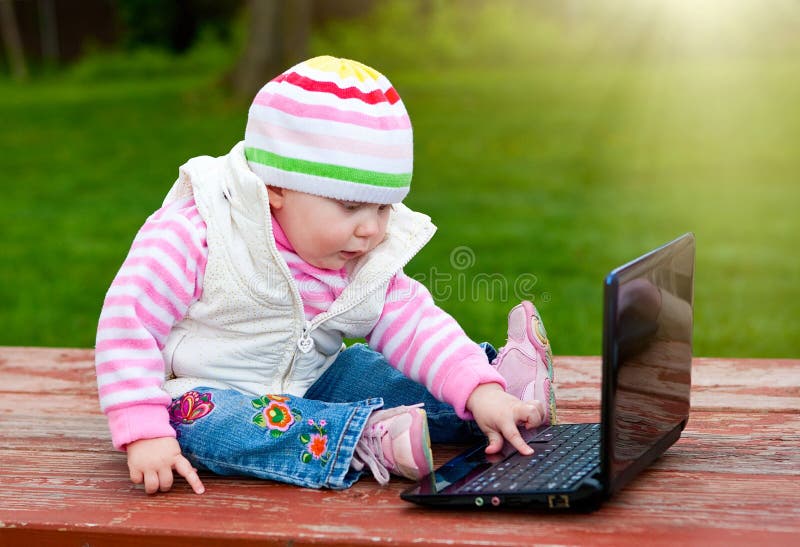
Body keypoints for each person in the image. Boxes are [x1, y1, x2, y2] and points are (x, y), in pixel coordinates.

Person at [94, 56, 557, 495]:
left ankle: (499, 396)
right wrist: (143, 428)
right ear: (275, 187)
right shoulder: (198, 234)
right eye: (351, 206)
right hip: (204, 392)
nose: (371, 228)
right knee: (205, 420)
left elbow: (414, 325)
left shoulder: (354, 253)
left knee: (375, 371)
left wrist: (479, 389)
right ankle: (359, 441)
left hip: (312, 379)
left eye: (383, 206)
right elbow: (128, 321)